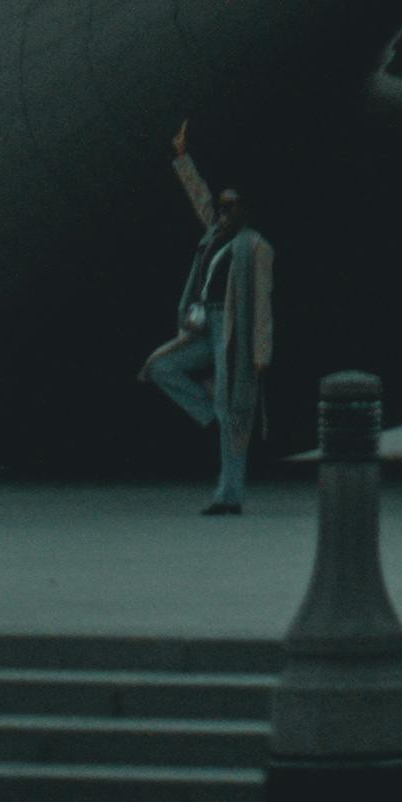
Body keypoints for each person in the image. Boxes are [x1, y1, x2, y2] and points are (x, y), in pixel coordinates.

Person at [142, 124, 274, 514]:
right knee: (160, 367)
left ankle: (228, 494)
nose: (222, 211)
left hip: (232, 332)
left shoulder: (255, 247)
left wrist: (261, 352)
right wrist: (182, 158)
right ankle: (211, 408)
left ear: (244, 211)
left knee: (235, 419)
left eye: (230, 206)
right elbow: (199, 195)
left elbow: (263, 304)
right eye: (221, 206)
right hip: (203, 327)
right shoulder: (213, 234)